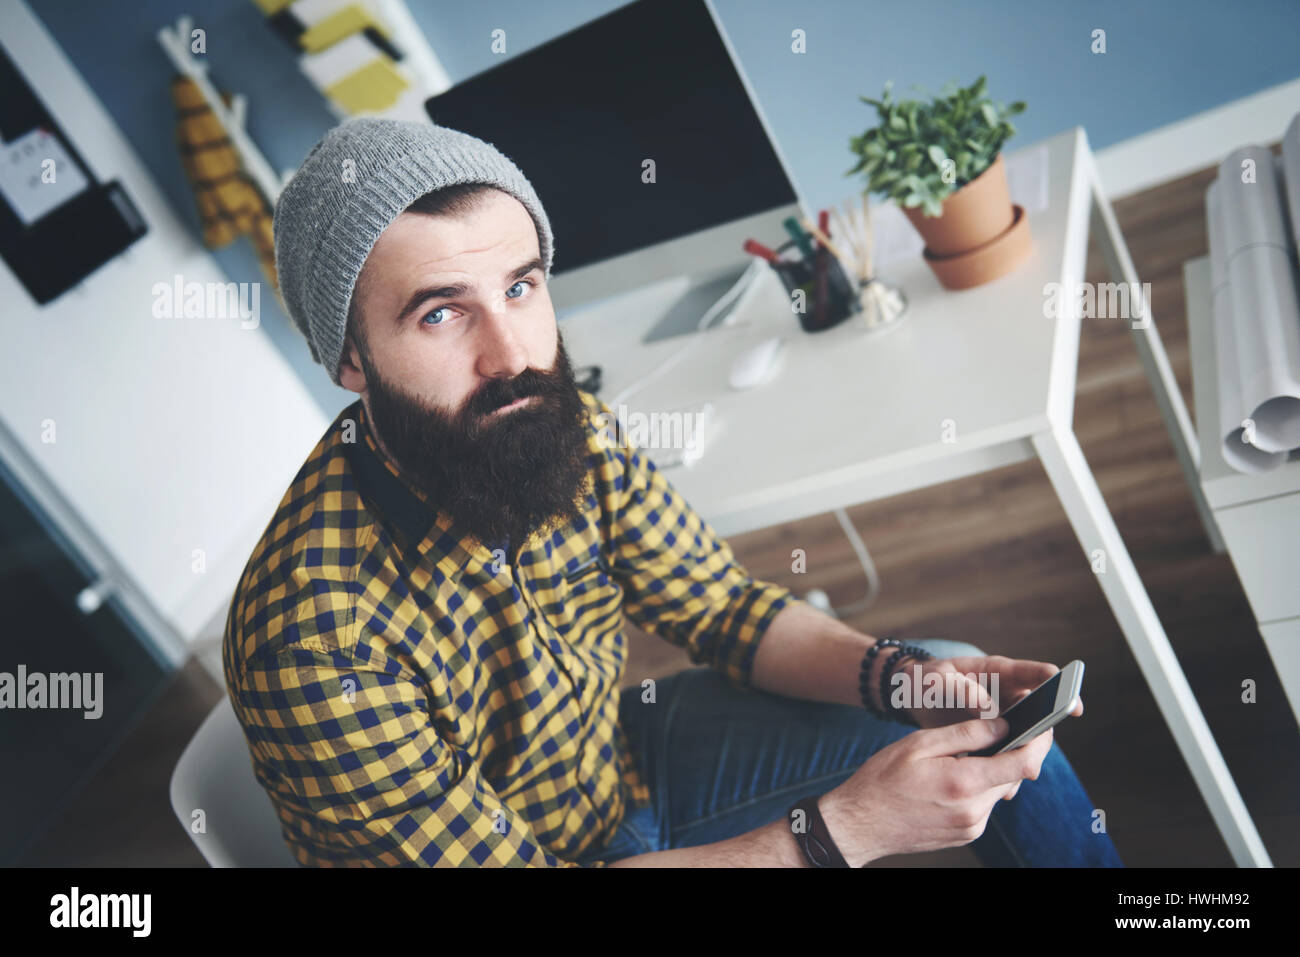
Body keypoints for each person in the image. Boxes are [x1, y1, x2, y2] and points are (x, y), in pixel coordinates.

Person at [223, 117, 1122, 868]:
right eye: (440, 312)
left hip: (623, 769)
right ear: (350, 359)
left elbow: (724, 608)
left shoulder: (552, 422)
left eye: (521, 287)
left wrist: (901, 679)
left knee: (951, 676)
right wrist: (836, 831)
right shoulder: (311, 636)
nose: (512, 355)